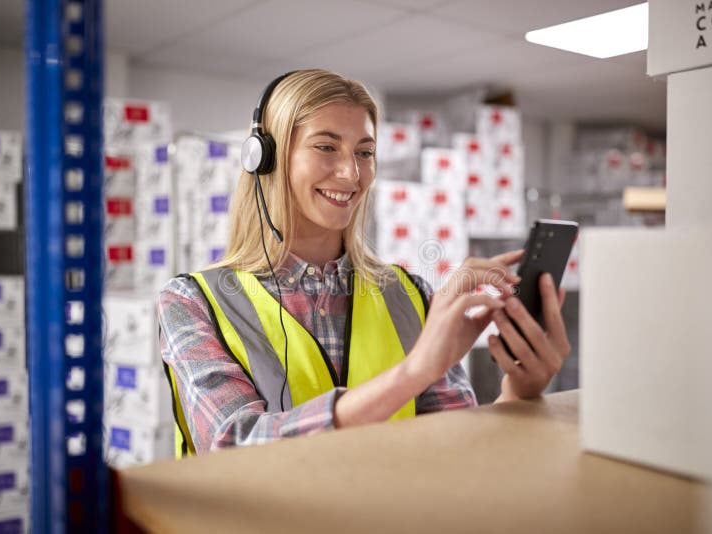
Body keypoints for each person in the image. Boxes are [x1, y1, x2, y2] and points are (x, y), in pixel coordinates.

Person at [158, 69, 571, 455]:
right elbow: (235, 445)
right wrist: (412, 373)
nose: (351, 173)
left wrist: (517, 393)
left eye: (365, 152)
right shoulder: (194, 302)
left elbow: (454, 449)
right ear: (266, 158)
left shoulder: (410, 294)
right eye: (326, 147)